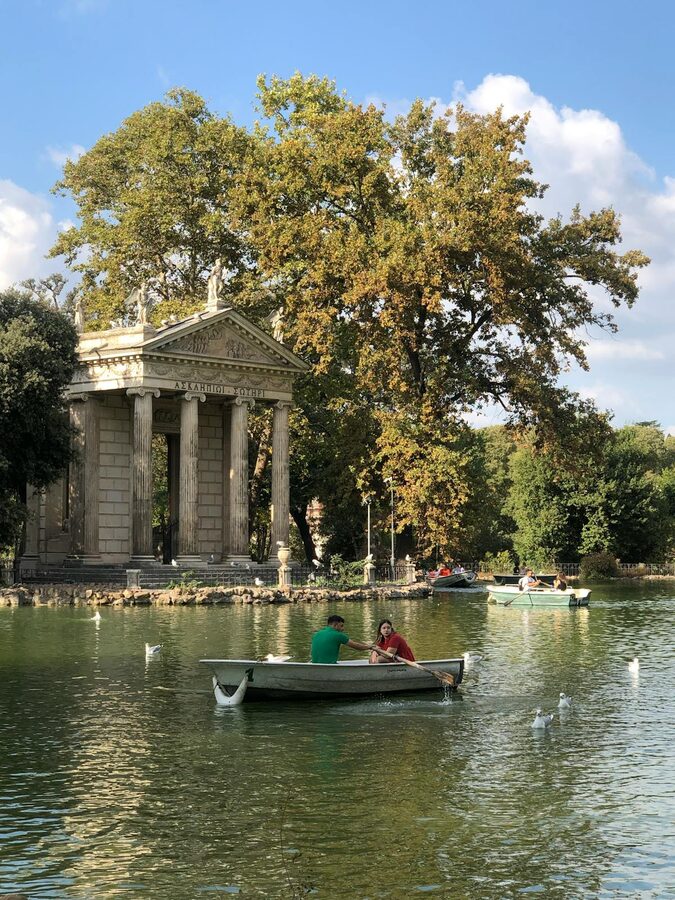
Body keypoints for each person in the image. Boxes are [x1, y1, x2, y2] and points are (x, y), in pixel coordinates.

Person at [310, 614, 377, 664]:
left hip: (314, 664)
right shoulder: (338, 635)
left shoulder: (317, 634)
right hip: (329, 665)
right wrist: (369, 647)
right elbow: (356, 646)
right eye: (341, 626)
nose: (343, 629)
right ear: (335, 625)